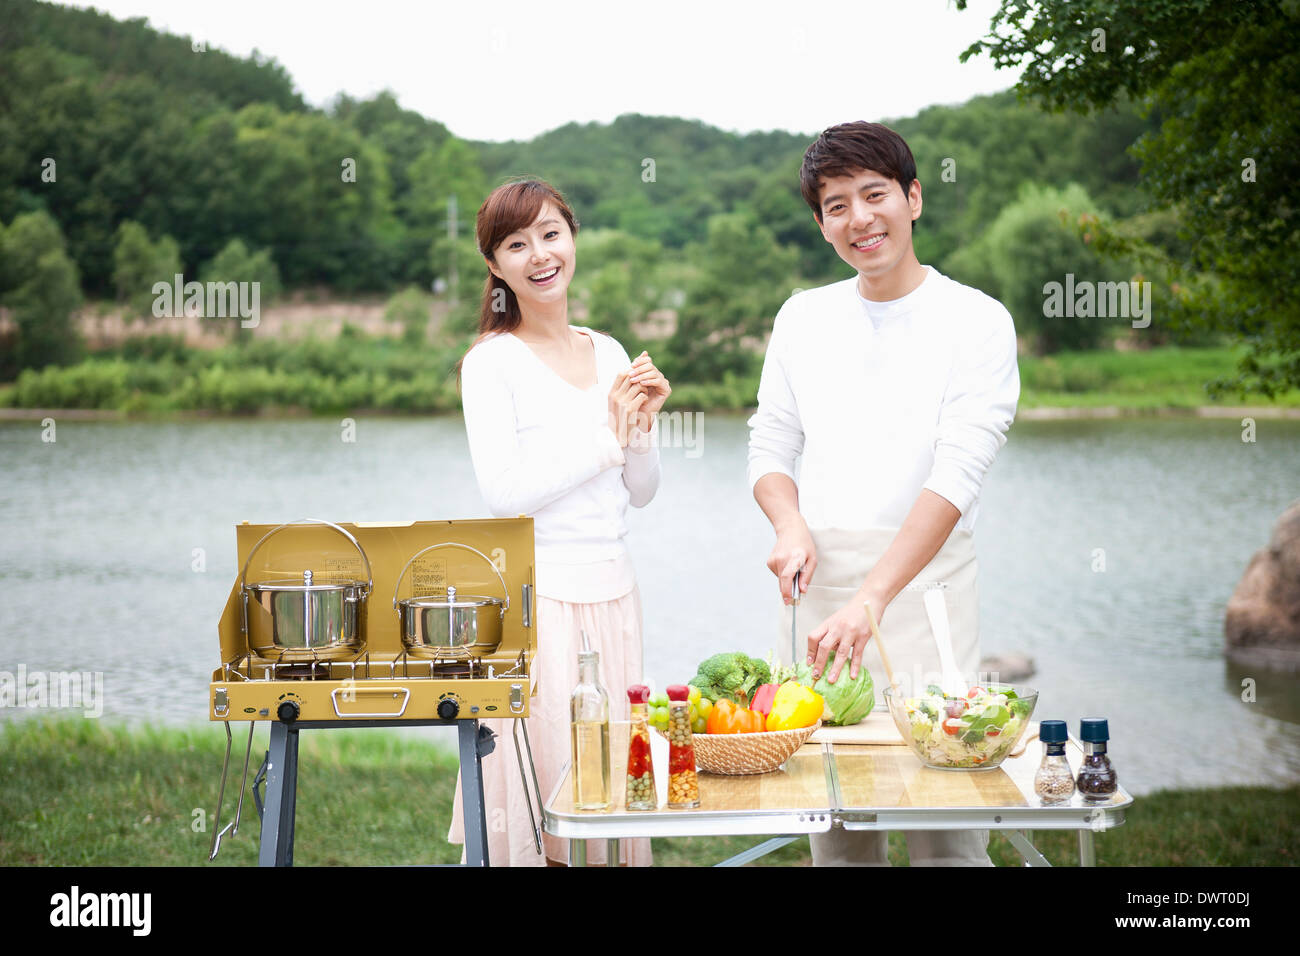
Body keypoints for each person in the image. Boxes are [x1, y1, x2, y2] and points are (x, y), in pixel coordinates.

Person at [747, 121, 1020, 866]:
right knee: (833, 828)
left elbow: (957, 475)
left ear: (914, 198)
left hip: (922, 593)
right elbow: (771, 443)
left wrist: (874, 597)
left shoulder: (977, 320)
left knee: (946, 825)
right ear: (821, 223)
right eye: (837, 205)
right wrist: (788, 523)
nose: (860, 219)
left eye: (875, 195)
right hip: (817, 597)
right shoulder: (803, 315)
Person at [448, 178, 670, 866]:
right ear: (496, 266)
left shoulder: (607, 350)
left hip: (615, 596)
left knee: (604, 801)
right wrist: (608, 438)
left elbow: (641, 492)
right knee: (540, 802)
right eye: (517, 244)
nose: (540, 254)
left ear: (572, 238)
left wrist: (640, 430)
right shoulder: (491, 364)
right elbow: (504, 493)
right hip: (536, 604)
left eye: (551, 234)